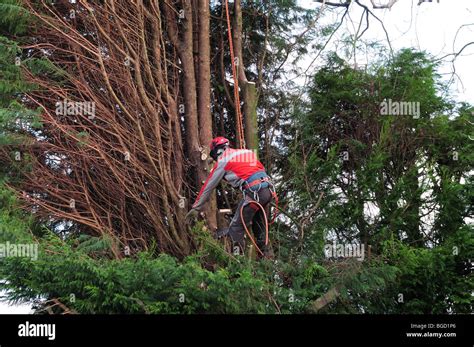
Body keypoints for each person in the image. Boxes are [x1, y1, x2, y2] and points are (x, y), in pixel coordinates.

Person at [186, 137, 274, 258]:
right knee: (259, 225)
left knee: (236, 227)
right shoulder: (246, 152)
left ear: (216, 151)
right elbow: (257, 170)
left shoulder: (223, 161)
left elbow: (208, 187)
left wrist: (196, 208)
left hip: (255, 192)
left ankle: (237, 262)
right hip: (267, 190)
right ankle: (267, 258)